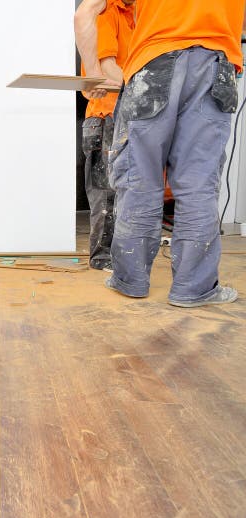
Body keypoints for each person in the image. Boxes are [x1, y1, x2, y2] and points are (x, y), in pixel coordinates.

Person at [75, 0, 245, 307]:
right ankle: (194, 289)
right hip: (217, 65)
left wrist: (93, 77)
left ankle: (130, 280)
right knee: (199, 184)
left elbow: (85, 12)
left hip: (154, 64)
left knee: (139, 178)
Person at [81, 0, 136, 271]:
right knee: (105, 192)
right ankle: (102, 259)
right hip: (104, 116)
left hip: (124, 113)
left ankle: (119, 256)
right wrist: (145, 85)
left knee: (124, 188)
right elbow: (107, 66)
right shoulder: (107, 13)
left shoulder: (134, 17)